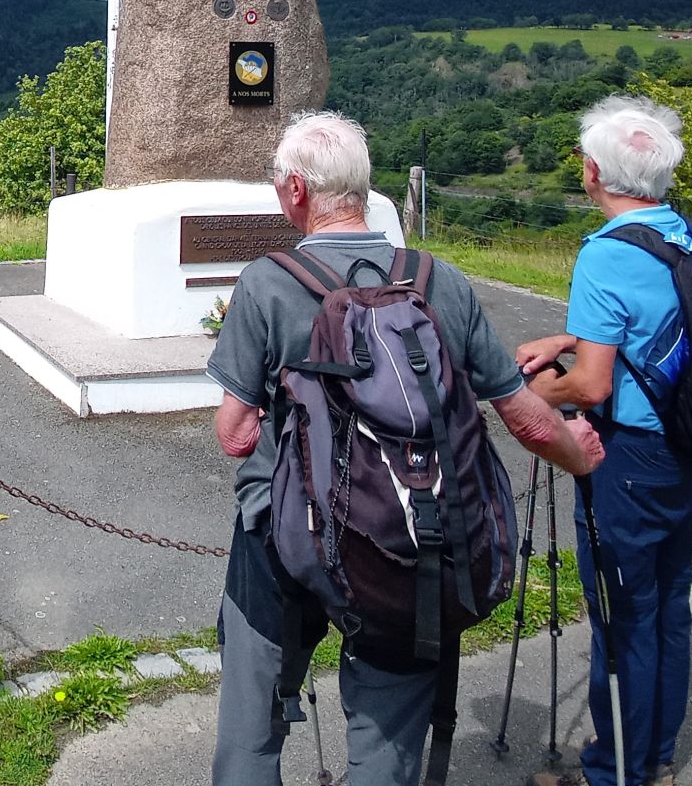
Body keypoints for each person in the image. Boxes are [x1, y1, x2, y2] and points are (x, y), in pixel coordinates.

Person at [208, 110, 604, 786]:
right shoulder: (438, 281)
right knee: (388, 742)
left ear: (297, 191)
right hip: (411, 537)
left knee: (252, 728)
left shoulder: (267, 284)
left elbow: (236, 434)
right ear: (361, 188)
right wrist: (579, 455)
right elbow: (526, 418)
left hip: (283, 536)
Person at [518, 96, 692, 786]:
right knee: (669, 604)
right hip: (689, 447)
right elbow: (655, 329)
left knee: (622, 619)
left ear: (594, 171)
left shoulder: (605, 255)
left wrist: (536, 394)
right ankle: (655, 756)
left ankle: (610, 771)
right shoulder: (684, 238)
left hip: (630, 456)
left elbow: (591, 387)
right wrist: (569, 338)